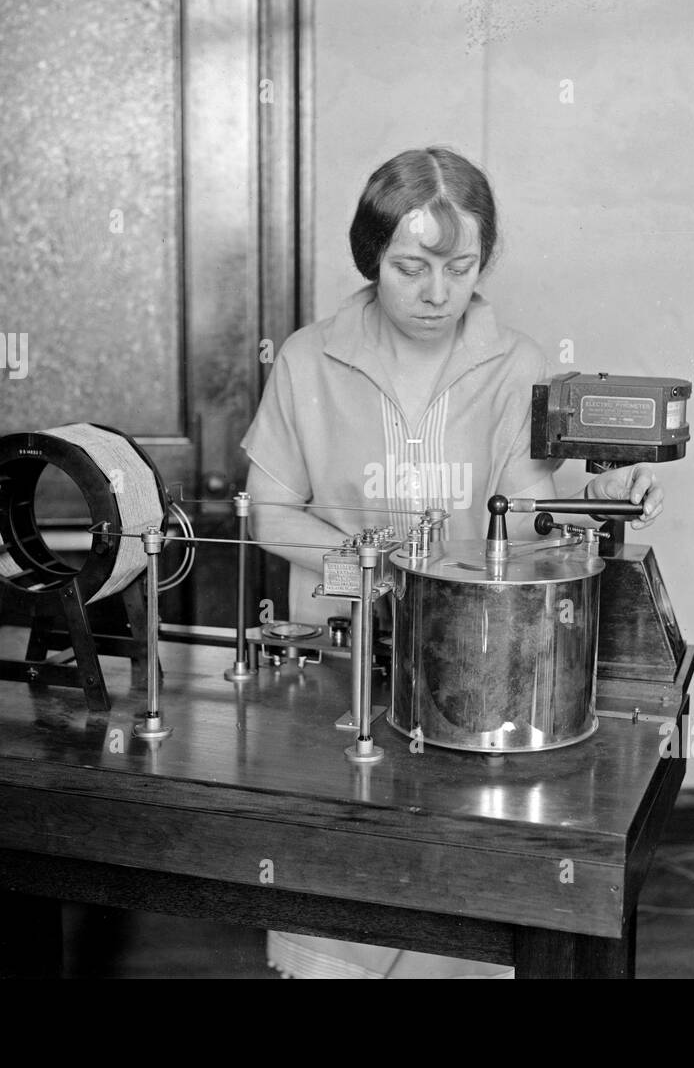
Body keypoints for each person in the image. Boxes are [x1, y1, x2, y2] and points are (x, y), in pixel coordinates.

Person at [240, 147, 664, 978]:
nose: (437, 294)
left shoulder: (517, 366)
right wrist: (384, 565)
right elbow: (267, 511)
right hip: (339, 665)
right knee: (340, 914)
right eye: (409, 268)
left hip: (473, 676)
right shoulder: (305, 359)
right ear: (371, 257)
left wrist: (604, 491)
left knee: (463, 913)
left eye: (460, 267)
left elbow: (529, 525)